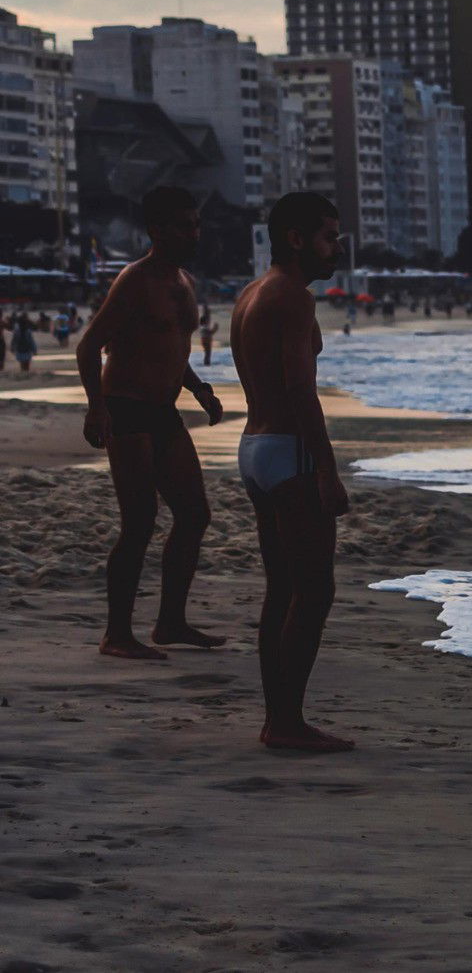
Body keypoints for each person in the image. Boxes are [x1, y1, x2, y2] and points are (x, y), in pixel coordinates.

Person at [75, 186, 227, 660]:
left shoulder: (184, 281)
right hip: (127, 409)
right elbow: (88, 346)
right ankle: (116, 634)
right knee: (139, 523)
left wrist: (199, 389)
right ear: (157, 230)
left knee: (195, 515)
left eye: (196, 224)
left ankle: (170, 622)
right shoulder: (134, 280)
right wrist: (96, 407)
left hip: (164, 412)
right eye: (185, 225)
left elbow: (171, 350)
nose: (194, 233)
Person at [230, 191, 354, 752]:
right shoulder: (291, 299)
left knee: (282, 587)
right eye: (329, 236)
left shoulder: (252, 293)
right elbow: (301, 390)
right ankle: (285, 722)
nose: (338, 246)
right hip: (290, 450)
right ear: (296, 239)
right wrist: (327, 469)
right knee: (315, 590)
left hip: (255, 449)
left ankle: (279, 717)